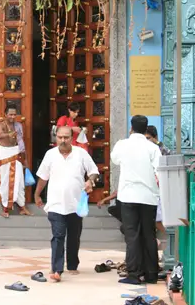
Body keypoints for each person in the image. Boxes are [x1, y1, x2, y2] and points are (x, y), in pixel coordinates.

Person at [34, 126, 99, 282]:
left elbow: (94, 171)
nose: (63, 141)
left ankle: (72, 264)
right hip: (56, 204)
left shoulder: (81, 154)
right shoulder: (50, 155)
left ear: (72, 138)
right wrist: (36, 194)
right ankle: (57, 269)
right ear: (56, 137)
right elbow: (43, 177)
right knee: (58, 235)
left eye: (66, 137)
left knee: (74, 236)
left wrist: (90, 180)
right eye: (60, 137)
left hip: (75, 204)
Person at [110, 115, 161, 285]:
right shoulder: (152, 148)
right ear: (146, 129)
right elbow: (159, 169)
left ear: (131, 128)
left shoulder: (122, 145)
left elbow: (114, 159)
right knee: (149, 234)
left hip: (128, 196)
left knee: (132, 235)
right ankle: (152, 273)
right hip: (148, 196)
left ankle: (134, 274)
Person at [0, 104, 32, 218]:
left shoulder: (18, 126)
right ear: (5, 114)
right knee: (7, 180)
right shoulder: (0, 125)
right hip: (6, 153)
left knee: (19, 180)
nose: (13, 116)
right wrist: (9, 134)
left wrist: (25, 159)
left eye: (14, 114)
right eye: (10, 114)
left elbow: (21, 142)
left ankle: (22, 207)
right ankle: (5, 208)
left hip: (17, 152)